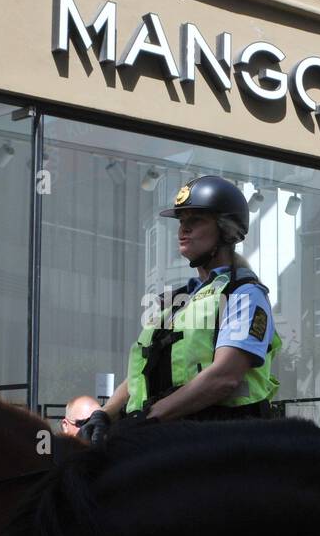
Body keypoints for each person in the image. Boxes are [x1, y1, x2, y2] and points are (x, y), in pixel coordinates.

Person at [81, 176, 281, 443]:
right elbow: (140, 375)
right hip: (169, 434)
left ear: (225, 230)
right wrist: (104, 414)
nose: (182, 230)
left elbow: (224, 377)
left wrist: (148, 418)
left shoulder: (244, 295)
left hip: (223, 441)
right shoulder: (177, 301)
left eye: (195, 221)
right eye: (181, 222)